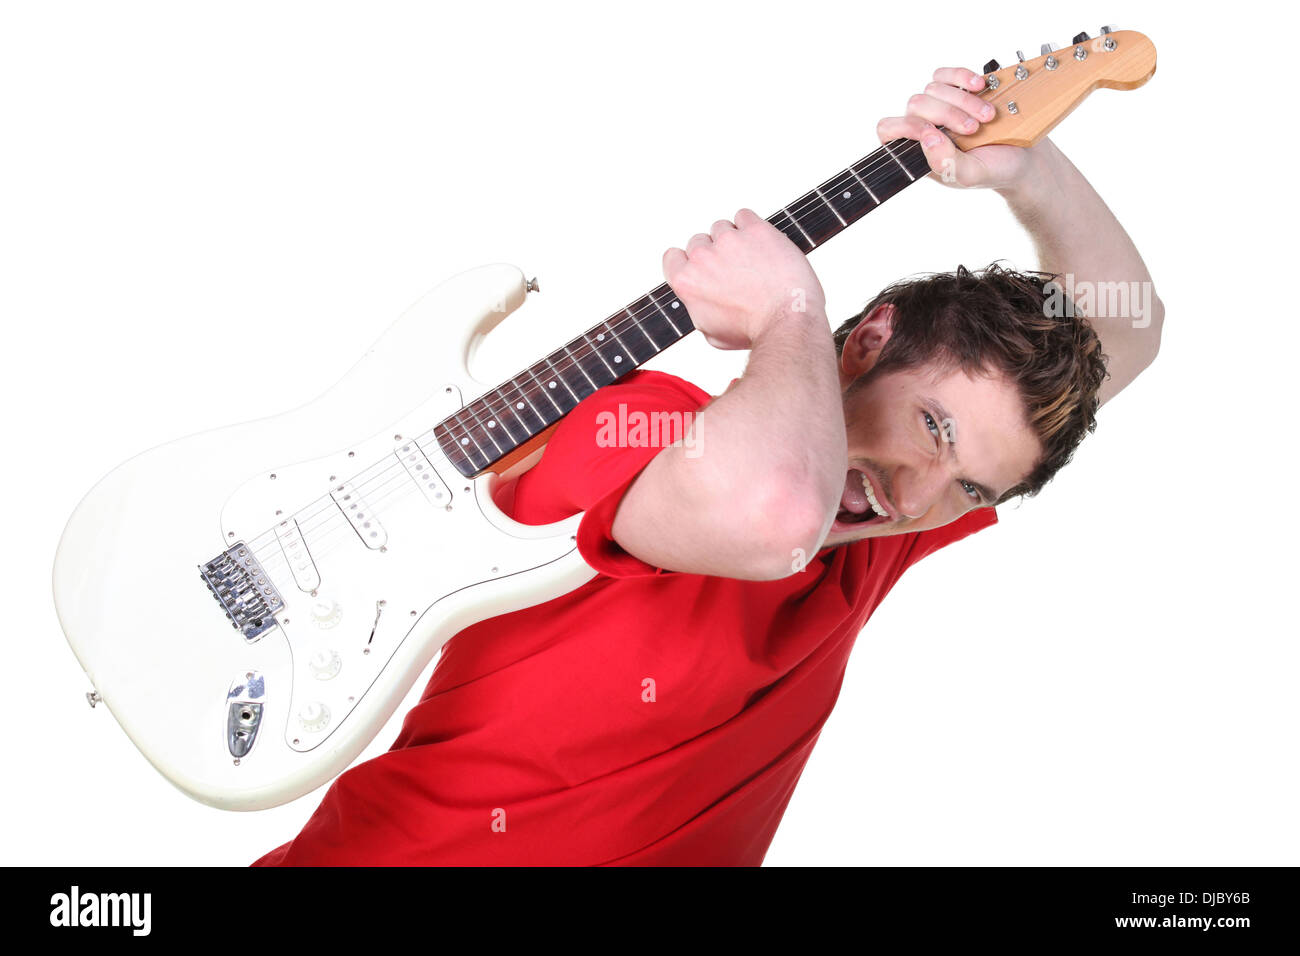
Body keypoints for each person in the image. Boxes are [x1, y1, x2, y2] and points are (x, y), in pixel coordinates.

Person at [253, 65, 1162, 865]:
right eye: (934, 427)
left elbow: (1126, 331)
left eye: (971, 488)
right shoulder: (645, 422)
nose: (920, 497)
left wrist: (1025, 168)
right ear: (868, 341)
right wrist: (790, 312)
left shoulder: (870, 536)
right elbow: (771, 512)